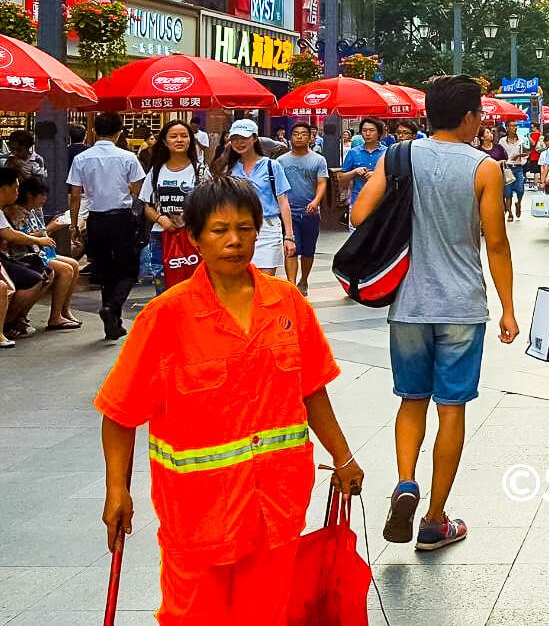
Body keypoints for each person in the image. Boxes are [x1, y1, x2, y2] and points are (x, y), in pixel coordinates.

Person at [96, 176, 364, 625]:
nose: (235, 241)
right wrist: (116, 490)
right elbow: (119, 414)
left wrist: (343, 456)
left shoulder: (287, 305)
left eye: (245, 228)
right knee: (191, 617)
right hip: (198, 517)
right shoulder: (165, 318)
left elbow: (312, 389)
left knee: (269, 614)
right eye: (220, 231)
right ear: (195, 236)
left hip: (276, 508)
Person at [356, 76, 519, 553]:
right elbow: (497, 242)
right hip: (461, 306)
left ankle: (406, 483)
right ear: (469, 118)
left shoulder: (399, 156)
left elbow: (361, 214)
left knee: (411, 400)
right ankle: (434, 518)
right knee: (452, 409)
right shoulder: (484, 167)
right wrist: (508, 308)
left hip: (408, 303)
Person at [68, 112, 146, 340]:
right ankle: (113, 308)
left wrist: (74, 225)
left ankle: (113, 322)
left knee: (105, 271)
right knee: (129, 270)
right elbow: (137, 188)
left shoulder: (82, 158)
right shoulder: (127, 157)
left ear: (94, 131)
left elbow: (74, 194)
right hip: (121, 218)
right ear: (119, 132)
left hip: (96, 219)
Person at [217, 119, 295, 280]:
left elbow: (283, 201)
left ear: (254, 138)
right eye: (234, 138)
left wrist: (289, 236)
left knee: (264, 281)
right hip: (238, 228)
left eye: (244, 138)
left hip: (268, 228)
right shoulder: (230, 168)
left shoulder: (271, 166)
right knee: (241, 279)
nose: (239, 143)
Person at [4, 176, 79, 331]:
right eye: (42, 195)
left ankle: (64, 310)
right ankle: (53, 316)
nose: (44, 199)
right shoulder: (13, 211)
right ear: (30, 194)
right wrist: (48, 230)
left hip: (39, 252)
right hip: (24, 255)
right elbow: (20, 237)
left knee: (74, 264)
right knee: (65, 270)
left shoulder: (32, 211)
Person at [139, 121, 206, 295]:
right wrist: (161, 219)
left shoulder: (200, 171)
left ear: (191, 140)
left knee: (195, 286)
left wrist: (189, 219)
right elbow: (147, 205)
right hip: (161, 236)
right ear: (164, 142)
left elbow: (211, 204)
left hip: (194, 237)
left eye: (184, 136)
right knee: (164, 287)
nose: (179, 140)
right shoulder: (155, 172)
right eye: (173, 136)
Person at [279, 122, 329, 295]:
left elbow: (322, 182)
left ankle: (304, 280)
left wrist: (316, 201)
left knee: (308, 251)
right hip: (289, 214)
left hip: (310, 213)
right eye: (295, 134)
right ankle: (292, 285)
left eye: (303, 134)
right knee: (291, 248)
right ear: (290, 137)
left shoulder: (318, 159)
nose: (299, 137)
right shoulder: (281, 161)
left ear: (310, 137)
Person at [339, 118, 386, 218]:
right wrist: (355, 172)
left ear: (379, 133)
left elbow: (393, 176)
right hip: (357, 201)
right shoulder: (353, 152)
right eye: (364, 131)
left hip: (381, 202)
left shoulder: (387, 152)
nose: (367, 133)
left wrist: (377, 175)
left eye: (371, 130)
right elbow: (341, 179)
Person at [497, 124, 527, 221]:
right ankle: (510, 213)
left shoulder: (521, 140)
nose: (513, 128)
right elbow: (499, 154)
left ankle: (518, 203)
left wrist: (521, 155)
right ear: (507, 128)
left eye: (514, 126)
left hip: (518, 167)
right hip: (507, 168)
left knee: (520, 190)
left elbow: (527, 152)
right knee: (508, 192)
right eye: (511, 126)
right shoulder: (502, 141)